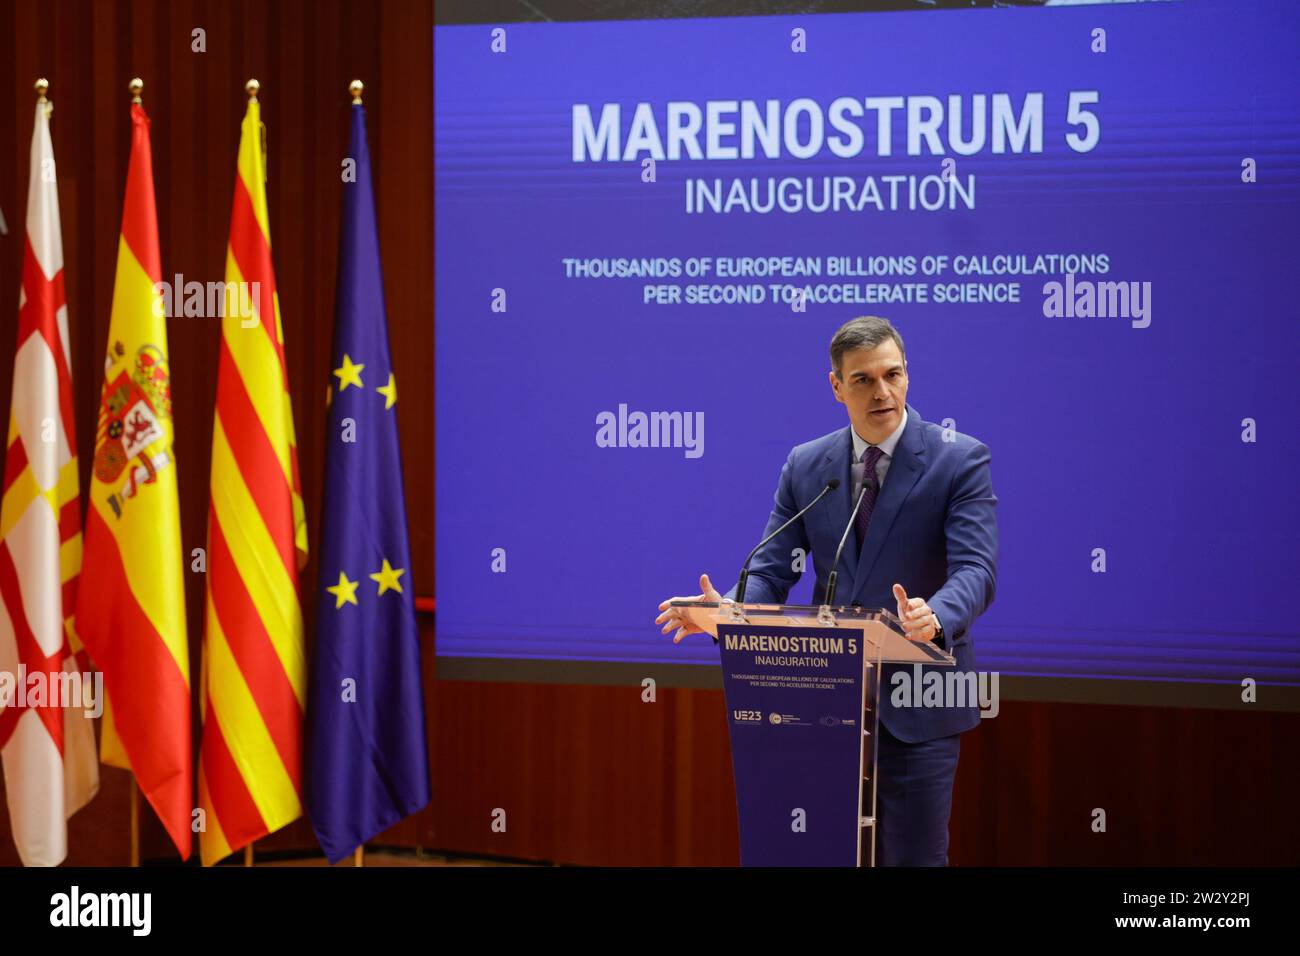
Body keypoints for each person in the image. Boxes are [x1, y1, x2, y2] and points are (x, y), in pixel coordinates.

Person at [655, 315, 998, 866]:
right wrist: (733, 610)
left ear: (908, 376)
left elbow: (977, 569)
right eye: (863, 379)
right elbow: (773, 569)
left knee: (913, 859)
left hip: (922, 699)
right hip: (824, 700)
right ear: (836, 387)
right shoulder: (808, 465)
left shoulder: (959, 459)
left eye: (893, 374)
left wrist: (934, 615)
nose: (882, 391)